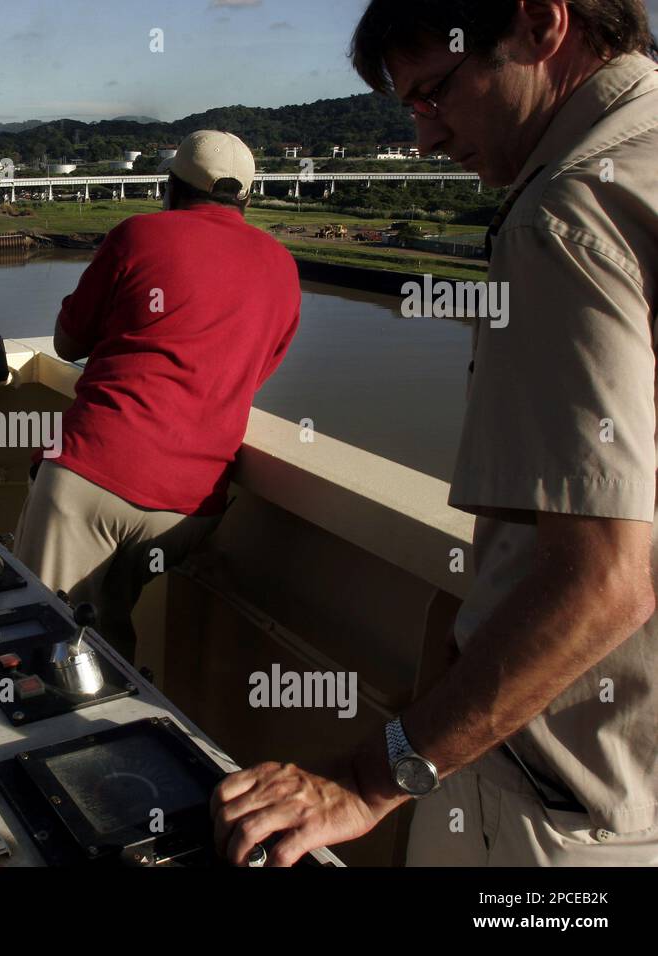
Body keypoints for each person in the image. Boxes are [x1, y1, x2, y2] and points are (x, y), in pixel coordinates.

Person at [211, 0, 658, 866]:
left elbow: (605, 581)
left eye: (437, 93)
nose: (424, 139)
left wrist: (368, 781)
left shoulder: (565, 217)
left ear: (540, 25)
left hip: (554, 799)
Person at [13, 130, 301, 662]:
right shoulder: (283, 266)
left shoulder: (139, 235)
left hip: (95, 477)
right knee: (106, 644)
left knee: (46, 645)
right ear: (246, 200)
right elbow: (248, 375)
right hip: (190, 508)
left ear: (169, 188)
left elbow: (67, 342)